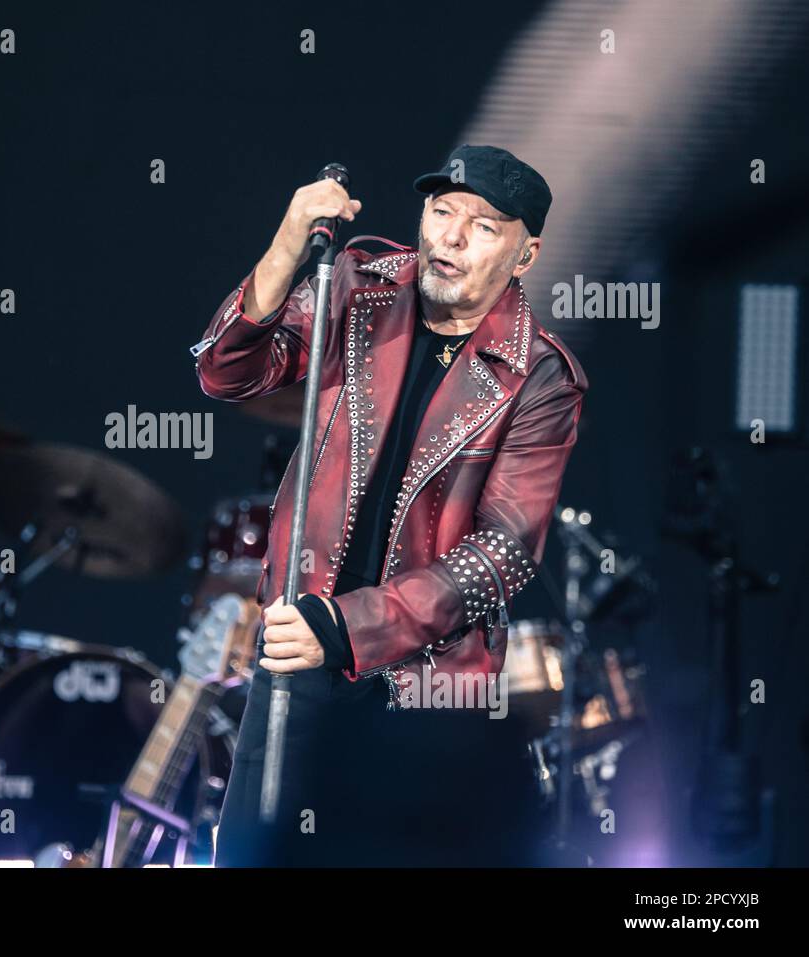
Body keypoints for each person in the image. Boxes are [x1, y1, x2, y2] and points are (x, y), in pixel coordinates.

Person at [195, 145, 589, 866]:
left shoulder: (539, 376)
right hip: (298, 653)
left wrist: (345, 627)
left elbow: (499, 556)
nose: (450, 236)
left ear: (525, 254)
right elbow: (228, 371)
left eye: (483, 225)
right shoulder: (357, 288)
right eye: (440, 212)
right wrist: (289, 239)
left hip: (431, 688)